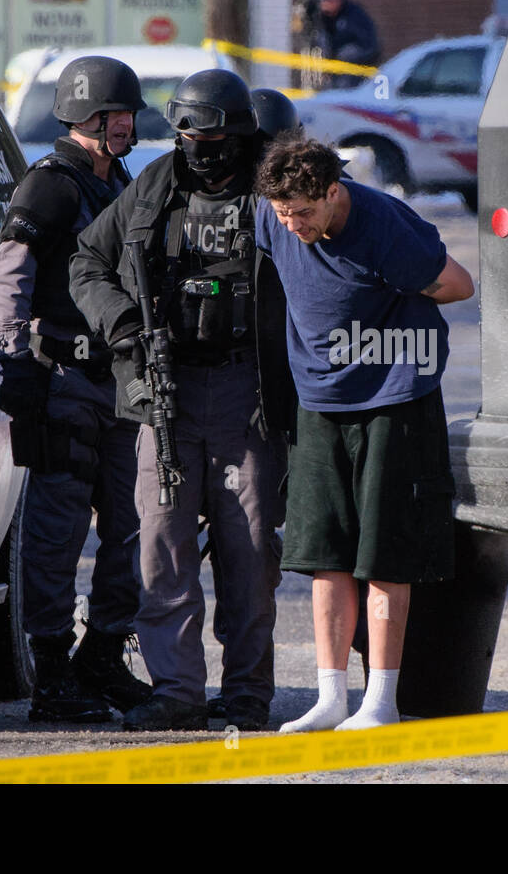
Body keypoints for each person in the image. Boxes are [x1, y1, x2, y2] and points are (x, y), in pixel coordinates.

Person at [69, 69, 294, 732]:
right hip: (160, 390)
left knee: (250, 549)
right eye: (186, 131)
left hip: (246, 388)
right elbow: (88, 261)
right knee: (162, 545)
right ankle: (178, 690)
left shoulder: (268, 188)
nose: (196, 144)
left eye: (209, 133)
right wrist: (123, 324)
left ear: (237, 136)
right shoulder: (155, 188)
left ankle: (248, 692)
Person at [252, 138, 474, 732]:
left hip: (394, 400)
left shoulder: (384, 226)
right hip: (319, 401)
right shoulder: (271, 215)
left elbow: (459, 285)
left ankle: (381, 703)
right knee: (325, 559)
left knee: (383, 558)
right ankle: (331, 700)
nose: (291, 224)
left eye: (303, 211)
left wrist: (399, 305)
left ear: (332, 192)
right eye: (282, 212)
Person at [0, 55, 153, 723]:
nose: (127, 125)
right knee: (56, 532)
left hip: (120, 382)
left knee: (132, 524)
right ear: (88, 117)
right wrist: (17, 364)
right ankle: (53, 672)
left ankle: (103, 655)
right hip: (62, 382)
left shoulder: (117, 182)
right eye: (118, 115)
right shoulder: (51, 187)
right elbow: (6, 279)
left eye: (126, 115)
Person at [312, 0, 380, 89]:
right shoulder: (322, 19)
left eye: (328, 0)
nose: (325, 4)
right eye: (322, 1)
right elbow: (322, 42)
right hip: (333, 70)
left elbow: (370, 45)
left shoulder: (355, 16)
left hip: (355, 71)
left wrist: (346, 56)